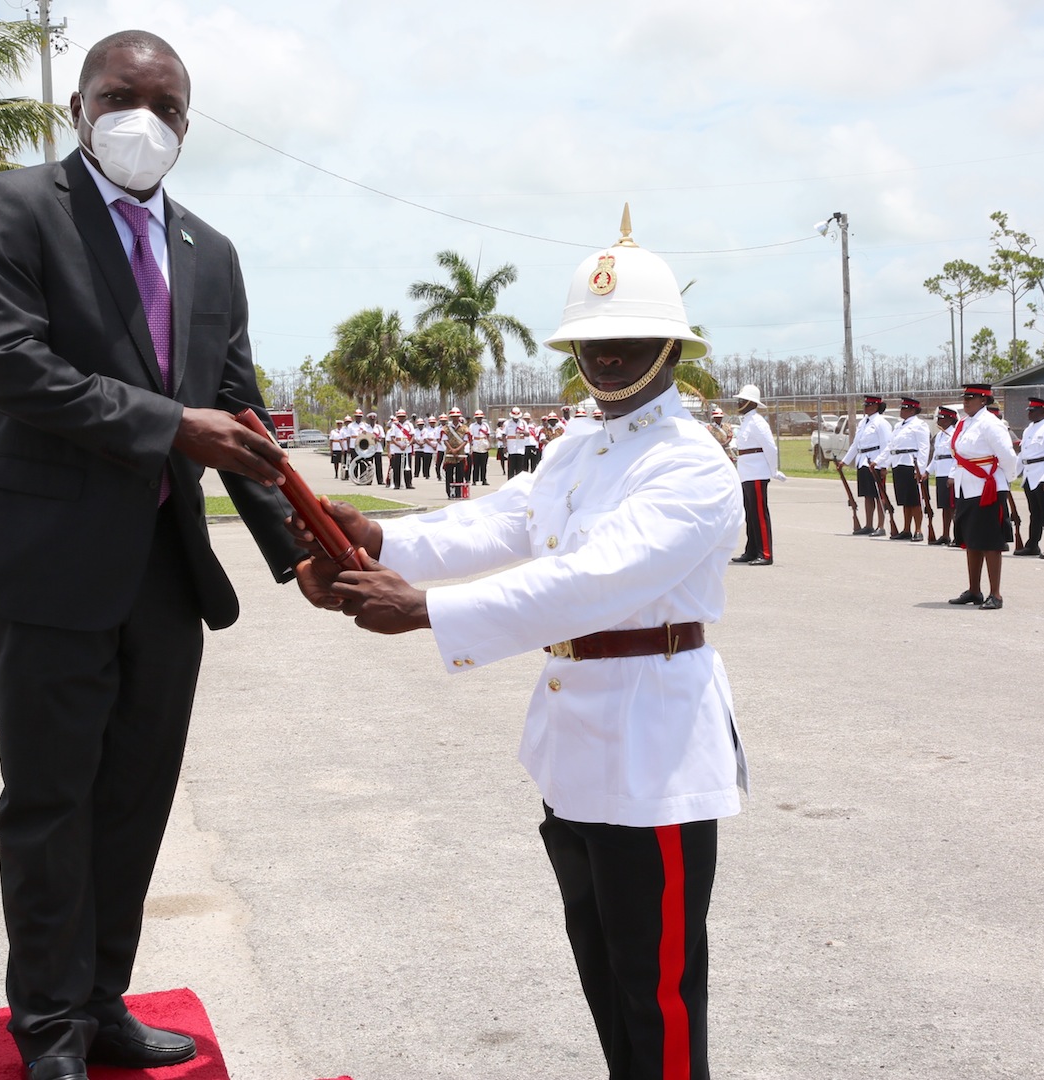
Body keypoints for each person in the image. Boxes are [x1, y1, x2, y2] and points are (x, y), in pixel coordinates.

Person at [297, 212, 745, 1080]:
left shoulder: (690, 463)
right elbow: (501, 522)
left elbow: (591, 581)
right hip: (576, 745)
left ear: (671, 347)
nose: (605, 357)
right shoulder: (579, 447)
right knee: (605, 974)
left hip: (652, 752)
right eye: (590, 341)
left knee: (657, 994)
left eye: (626, 339)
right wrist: (380, 541)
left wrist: (427, 611)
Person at [0, 31, 308, 1080]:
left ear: (188, 124)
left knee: (135, 801)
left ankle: (103, 999)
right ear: (78, 107)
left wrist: (303, 550)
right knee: (52, 804)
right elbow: (9, 365)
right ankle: (49, 1029)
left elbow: (237, 410)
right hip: (48, 562)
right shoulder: (11, 209)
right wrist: (171, 426)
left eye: (166, 105)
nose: (141, 120)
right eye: (118, 97)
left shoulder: (210, 251)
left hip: (163, 568)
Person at [947, 384, 1017, 609]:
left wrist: (1007, 479)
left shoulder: (991, 424)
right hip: (966, 487)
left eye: (971, 397)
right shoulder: (964, 423)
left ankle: (995, 594)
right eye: (965, 397)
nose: (966, 401)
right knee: (971, 540)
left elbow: (1007, 456)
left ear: (984, 400)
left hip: (987, 487)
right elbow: (958, 455)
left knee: (990, 541)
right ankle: (974, 590)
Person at [731, 383, 778, 565]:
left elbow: (770, 448)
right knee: (750, 514)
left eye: (742, 400)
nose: (739, 403)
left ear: (751, 403)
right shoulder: (746, 422)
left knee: (759, 514)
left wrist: (773, 470)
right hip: (747, 473)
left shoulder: (758, 422)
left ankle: (765, 553)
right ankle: (751, 551)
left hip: (757, 472)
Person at [1013, 397, 1044, 558]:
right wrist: (1012, 474)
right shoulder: (1028, 430)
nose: (1030, 413)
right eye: (1029, 410)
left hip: (1042, 474)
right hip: (1029, 474)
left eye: (1033, 411)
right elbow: (1023, 455)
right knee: (1034, 513)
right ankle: (1033, 544)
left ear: (1043, 411)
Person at [876, 396, 930, 541]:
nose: (902, 411)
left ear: (913, 410)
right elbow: (891, 446)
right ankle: (906, 529)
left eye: (904, 408)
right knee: (905, 500)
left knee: (915, 500)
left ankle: (918, 530)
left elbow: (924, 448)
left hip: (911, 464)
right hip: (898, 463)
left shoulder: (920, 425)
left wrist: (920, 470)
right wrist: (880, 462)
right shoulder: (899, 426)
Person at [843, 394, 892, 536]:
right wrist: (845, 461)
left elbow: (886, 445)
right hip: (863, 460)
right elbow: (856, 444)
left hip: (875, 461)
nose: (865, 407)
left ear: (876, 407)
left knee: (879, 495)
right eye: (865, 405)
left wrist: (884, 466)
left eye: (868, 405)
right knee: (867, 495)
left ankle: (881, 526)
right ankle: (869, 525)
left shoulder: (881, 422)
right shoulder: (863, 422)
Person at [929, 405, 958, 544]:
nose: (938, 420)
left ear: (949, 420)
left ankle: (958, 535)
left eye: (941, 418)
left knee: (953, 507)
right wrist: (927, 471)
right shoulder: (940, 435)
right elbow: (936, 456)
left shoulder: (954, 434)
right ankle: (945, 535)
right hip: (940, 472)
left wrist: (952, 475)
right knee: (945, 506)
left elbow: (956, 457)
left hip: (950, 474)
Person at [470, 409, 491, 485]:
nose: (479, 419)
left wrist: (489, 444)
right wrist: (470, 446)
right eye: (478, 418)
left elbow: (488, 435)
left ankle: (483, 480)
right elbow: (470, 436)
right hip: (476, 444)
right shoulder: (472, 426)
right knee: (476, 465)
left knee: (484, 465)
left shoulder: (485, 425)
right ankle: (474, 480)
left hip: (484, 444)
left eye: (480, 417)